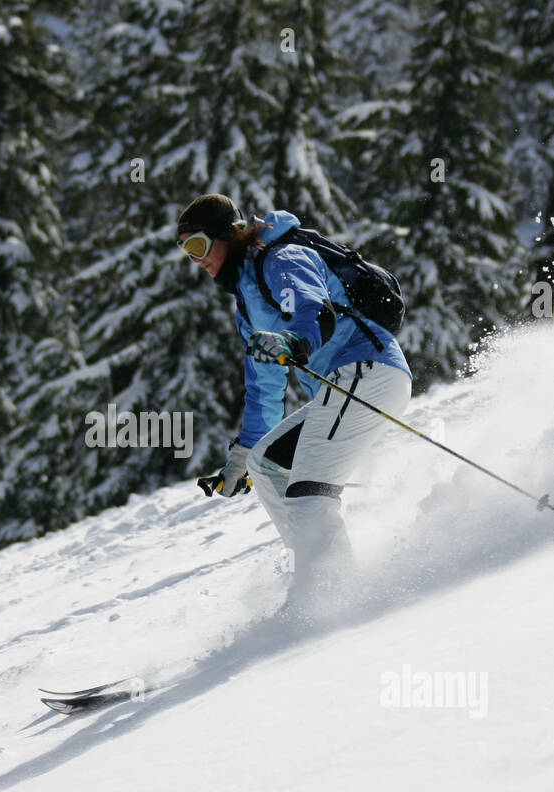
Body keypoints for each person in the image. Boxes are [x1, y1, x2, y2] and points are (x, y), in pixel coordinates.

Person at [176, 193, 413, 595]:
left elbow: (316, 310)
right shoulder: (247, 305)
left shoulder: (280, 258)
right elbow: (263, 387)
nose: (196, 260)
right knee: (267, 467)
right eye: (186, 252)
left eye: (198, 245)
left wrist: (292, 339)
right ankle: (320, 576)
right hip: (344, 388)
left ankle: (333, 594)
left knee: (306, 492)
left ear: (226, 235)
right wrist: (241, 459)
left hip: (366, 372)